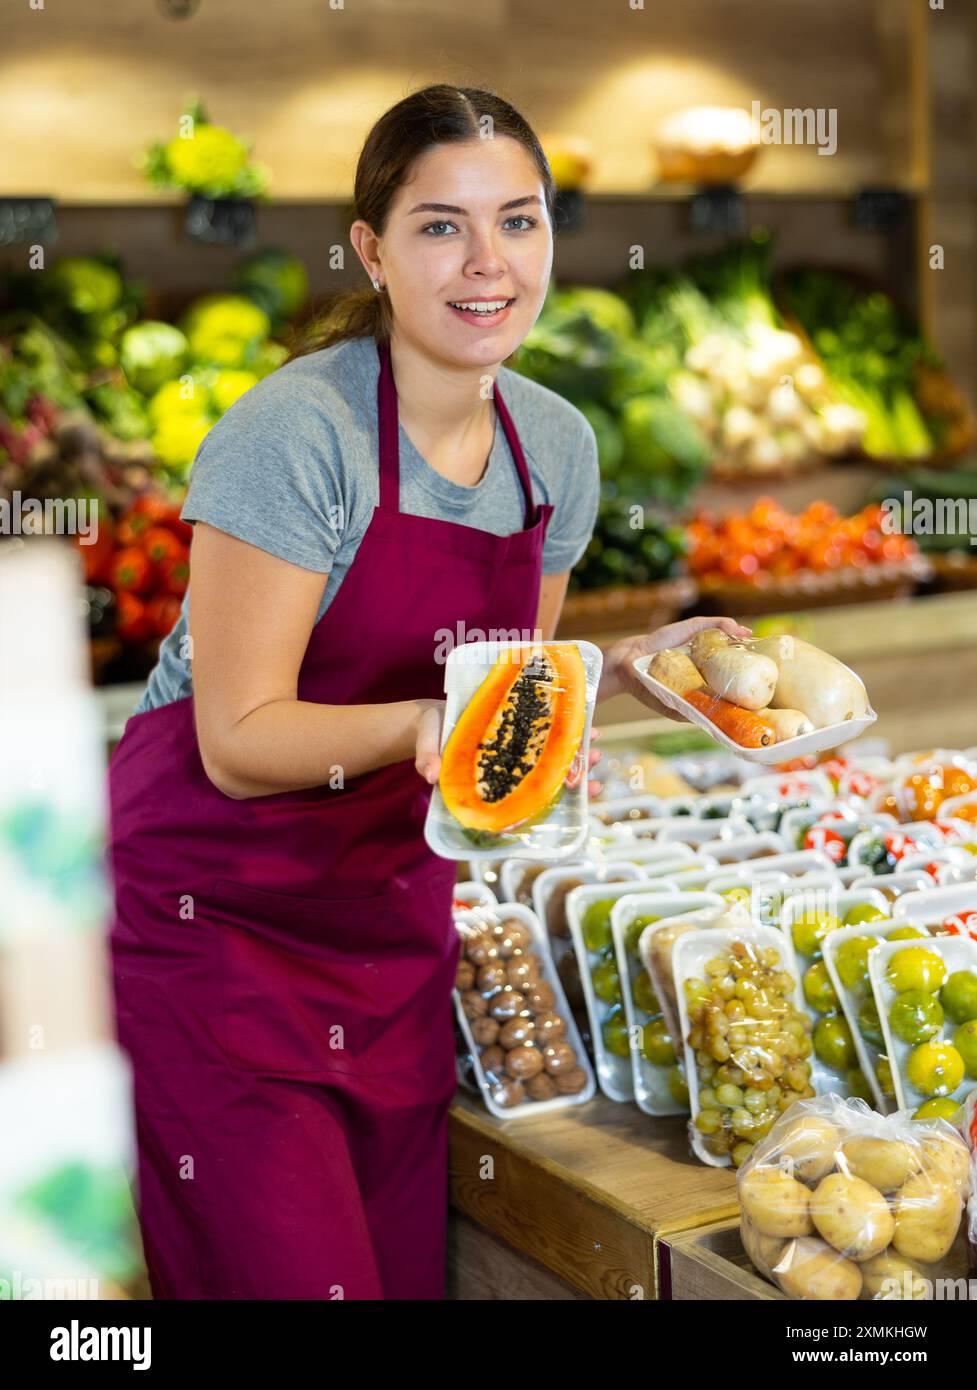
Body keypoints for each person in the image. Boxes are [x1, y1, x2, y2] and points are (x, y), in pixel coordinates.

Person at [107, 82, 749, 1301]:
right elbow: (240, 740)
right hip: (219, 936)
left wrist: (620, 671)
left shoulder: (555, 446)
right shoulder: (295, 434)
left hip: (389, 936)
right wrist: (426, 727)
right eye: (440, 226)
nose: (486, 262)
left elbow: (507, 699)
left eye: (519, 221)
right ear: (372, 249)